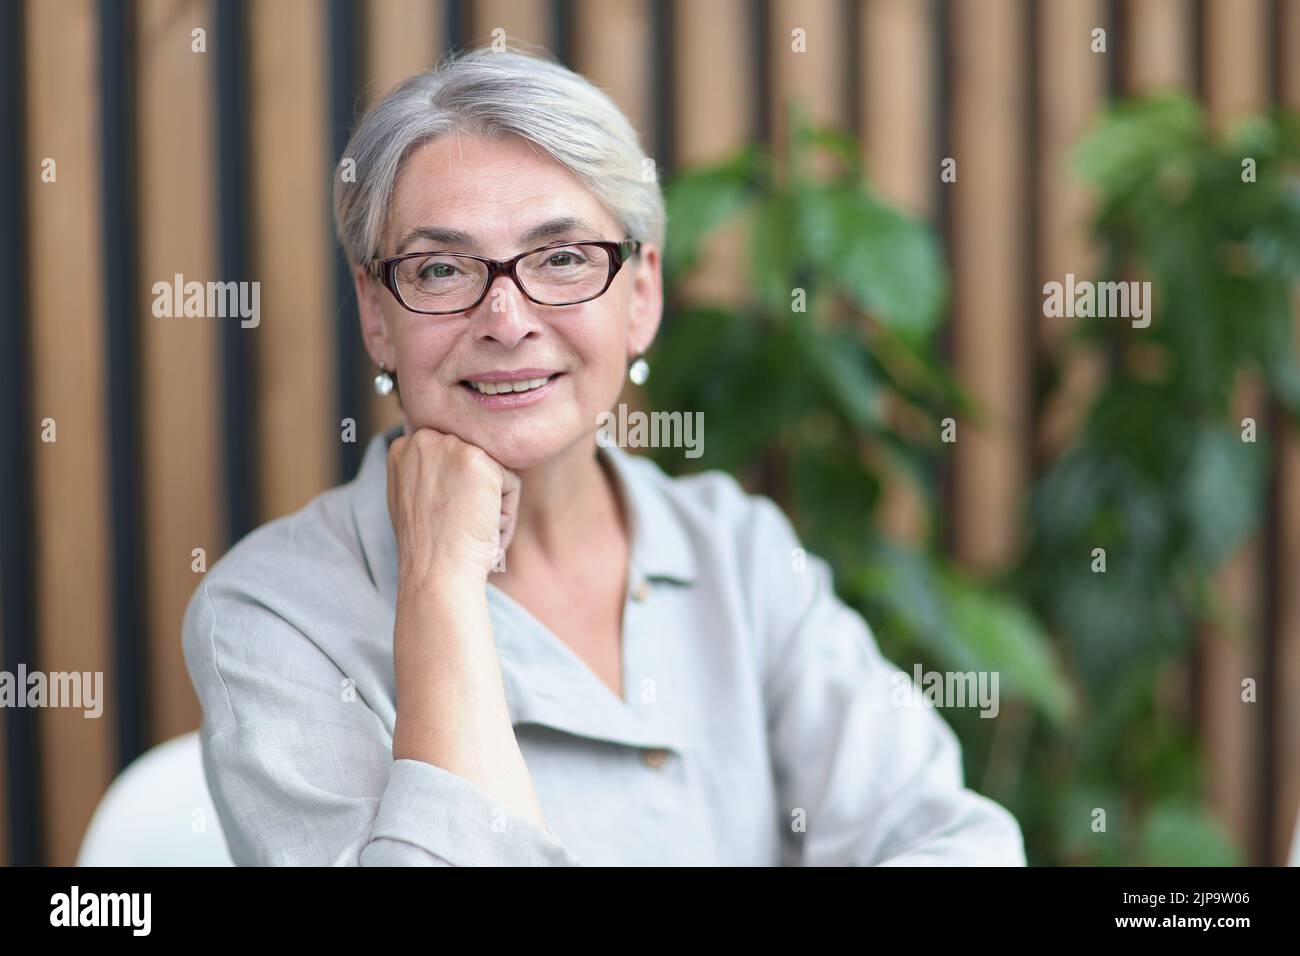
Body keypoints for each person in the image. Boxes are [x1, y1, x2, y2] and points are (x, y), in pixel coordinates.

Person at [181, 44, 1026, 866]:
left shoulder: (737, 551)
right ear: (376, 312)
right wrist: (440, 590)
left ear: (643, 295)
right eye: (441, 270)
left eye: (561, 258)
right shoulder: (271, 614)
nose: (507, 319)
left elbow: (952, 841)